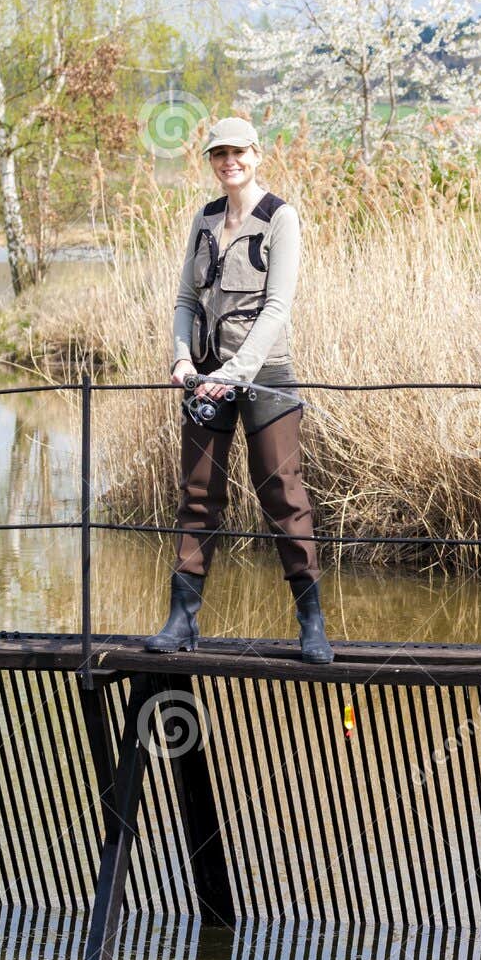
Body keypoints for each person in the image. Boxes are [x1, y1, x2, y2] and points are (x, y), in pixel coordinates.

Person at [143, 116, 335, 664]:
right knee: (198, 495)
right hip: (203, 376)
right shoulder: (203, 219)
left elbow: (277, 308)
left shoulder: (281, 218)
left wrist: (236, 374)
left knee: (284, 495)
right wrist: (183, 357)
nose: (230, 161)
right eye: (219, 153)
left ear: (257, 154)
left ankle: (311, 623)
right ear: (211, 161)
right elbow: (185, 298)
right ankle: (182, 620)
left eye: (239, 152)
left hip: (265, 376)